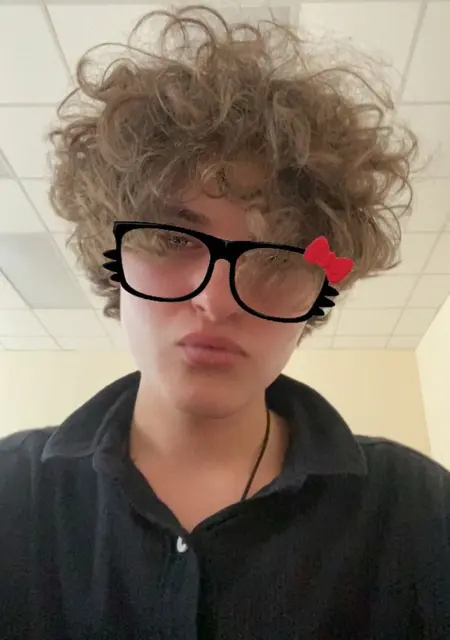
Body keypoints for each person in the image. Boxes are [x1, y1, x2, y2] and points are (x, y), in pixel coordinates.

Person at [1, 5, 449, 639]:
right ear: (113, 256)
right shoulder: (10, 494)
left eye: (277, 257)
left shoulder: (418, 510)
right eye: (171, 238)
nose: (216, 302)